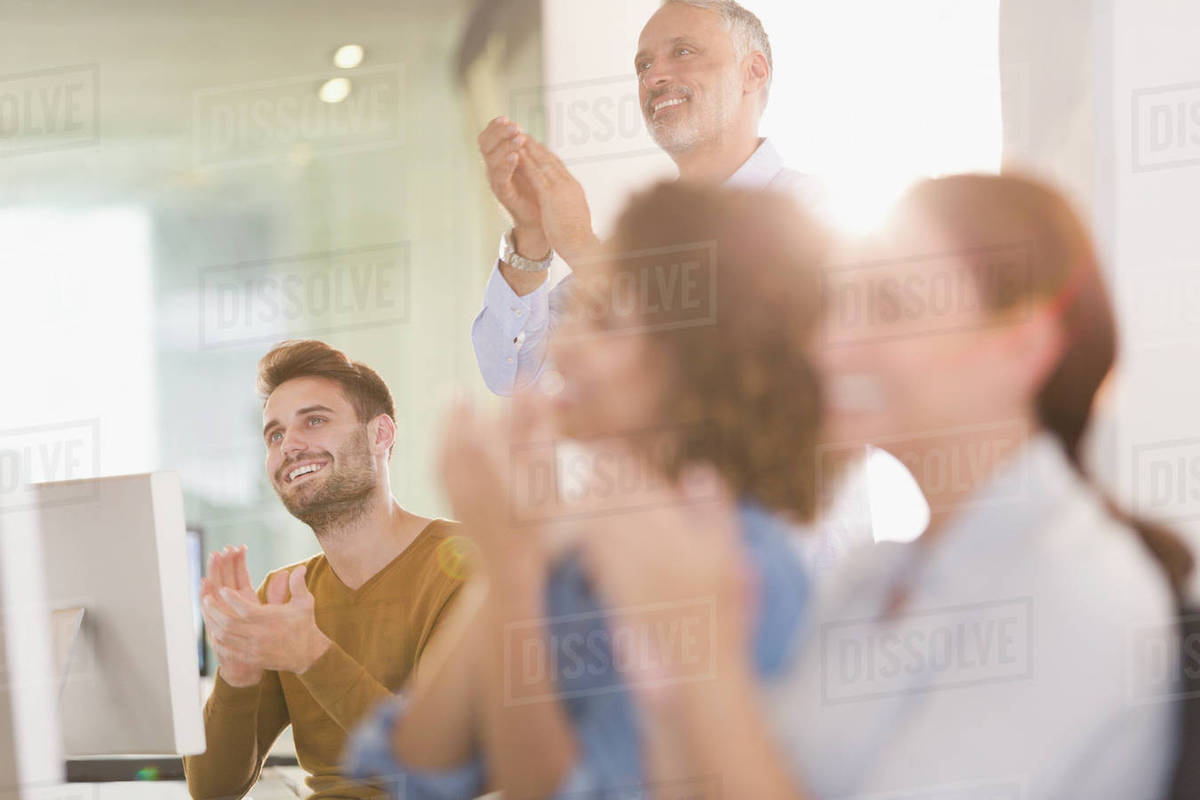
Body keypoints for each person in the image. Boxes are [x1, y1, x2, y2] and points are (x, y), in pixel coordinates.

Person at [578, 173, 1194, 799]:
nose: (831, 347)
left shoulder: (1077, 591)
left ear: (1022, 347)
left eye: (890, 306)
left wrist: (705, 661)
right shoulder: (871, 575)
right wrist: (672, 686)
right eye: (843, 304)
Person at [345, 183, 837, 799]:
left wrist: (512, 572)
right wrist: (509, 561)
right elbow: (406, 771)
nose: (563, 346)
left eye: (603, 323)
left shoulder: (747, 567)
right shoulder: (579, 540)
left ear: (694, 358)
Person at [471, 0, 822, 397]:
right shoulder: (635, 245)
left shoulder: (815, 214)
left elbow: (735, 362)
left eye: (683, 51)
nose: (654, 77)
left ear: (753, 72)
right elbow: (515, 373)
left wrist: (583, 248)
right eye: (643, 65)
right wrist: (533, 233)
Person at [183, 340, 466, 800]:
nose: (290, 446)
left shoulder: (465, 566)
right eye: (274, 435)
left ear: (380, 435)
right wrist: (236, 674)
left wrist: (311, 655)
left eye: (314, 420)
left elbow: (440, 762)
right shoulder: (283, 597)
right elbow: (211, 790)